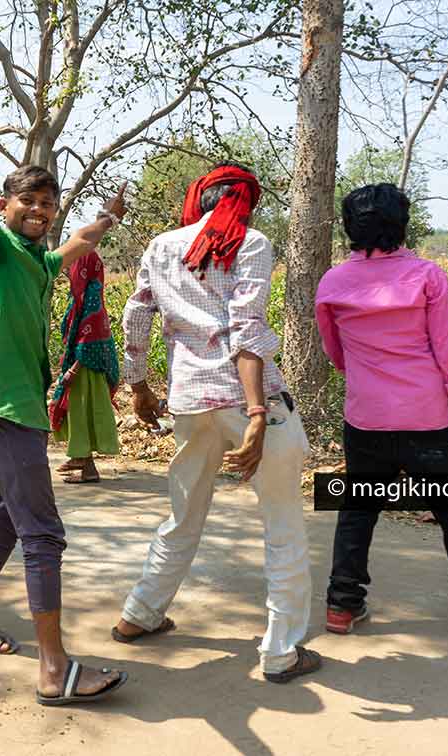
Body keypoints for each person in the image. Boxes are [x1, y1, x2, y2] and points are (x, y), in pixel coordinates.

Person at [0, 51, 129, 706]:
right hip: (6, 402)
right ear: (6, 205)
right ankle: (53, 669)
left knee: (6, 520)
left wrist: (108, 217)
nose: (41, 211)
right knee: (43, 533)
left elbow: (81, 240)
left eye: (49, 204)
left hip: (24, 403)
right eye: (29, 201)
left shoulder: (41, 262)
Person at [113, 163, 320, 684]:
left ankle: (140, 613)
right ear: (244, 202)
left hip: (189, 400)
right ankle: (280, 652)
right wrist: (257, 412)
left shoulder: (162, 246)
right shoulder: (251, 243)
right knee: (283, 525)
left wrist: (138, 386)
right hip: (246, 399)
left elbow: (136, 315)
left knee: (183, 515)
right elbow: (246, 327)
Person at [317, 183, 448, 637]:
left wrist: (366, 372)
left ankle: (342, 605)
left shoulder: (333, 283)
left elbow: (335, 351)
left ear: (350, 228)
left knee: (358, 510)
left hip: (366, 418)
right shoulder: (427, 276)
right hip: (427, 419)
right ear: (401, 225)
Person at [49, 252, 120, 484]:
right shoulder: (83, 294)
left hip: (86, 365)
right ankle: (78, 456)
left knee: (81, 412)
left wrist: (74, 369)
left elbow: (89, 335)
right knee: (77, 411)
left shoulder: (90, 295)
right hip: (85, 363)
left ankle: (88, 468)